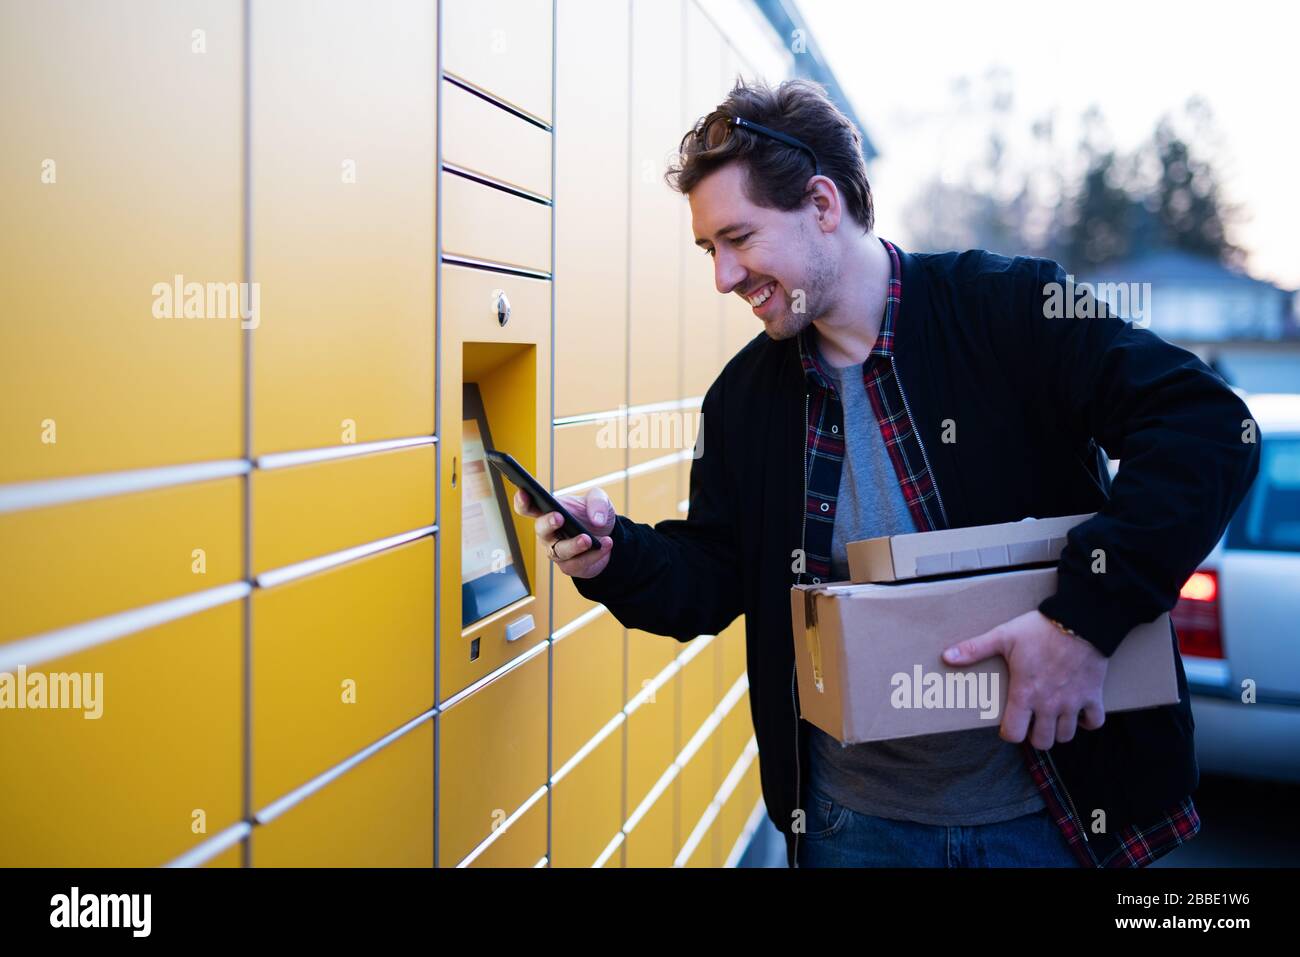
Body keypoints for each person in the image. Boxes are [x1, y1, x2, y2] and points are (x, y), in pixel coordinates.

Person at [514, 77, 1259, 867]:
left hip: (1051, 815)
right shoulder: (742, 400)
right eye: (709, 249)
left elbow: (1210, 428)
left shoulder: (1010, 310)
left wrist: (1083, 619)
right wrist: (614, 554)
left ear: (823, 205)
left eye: (739, 238)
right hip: (852, 828)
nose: (724, 277)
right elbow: (714, 575)